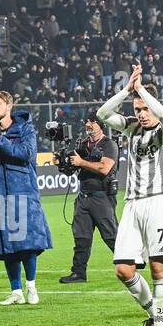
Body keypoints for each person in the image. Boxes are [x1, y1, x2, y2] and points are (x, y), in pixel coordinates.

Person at [96, 64, 163, 326]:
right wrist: (128, 89)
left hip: (159, 201)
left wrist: (143, 90)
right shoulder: (131, 128)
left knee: (158, 268)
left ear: (155, 107)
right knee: (123, 269)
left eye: (146, 108)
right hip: (133, 204)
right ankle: (151, 314)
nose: (141, 114)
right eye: (138, 109)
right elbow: (103, 115)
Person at [0, 89, 53, 306]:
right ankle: (16, 291)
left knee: (27, 245)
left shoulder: (26, 129)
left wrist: (1, 144)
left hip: (23, 193)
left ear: (9, 106)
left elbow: (25, 154)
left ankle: (31, 287)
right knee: (7, 247)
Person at [58, 109, 119, 284]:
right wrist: (63, 163)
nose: (88, 125)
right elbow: (71, 170)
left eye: (92, 122)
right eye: (87, 122)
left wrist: (81, 162)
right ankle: (78, 273)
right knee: (81, 238)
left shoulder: (109, 145)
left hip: (102, 196)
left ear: (100, 125)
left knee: (111, 236)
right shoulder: (83, 145)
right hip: (83, 196)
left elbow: (105, 168)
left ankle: (131, 262)